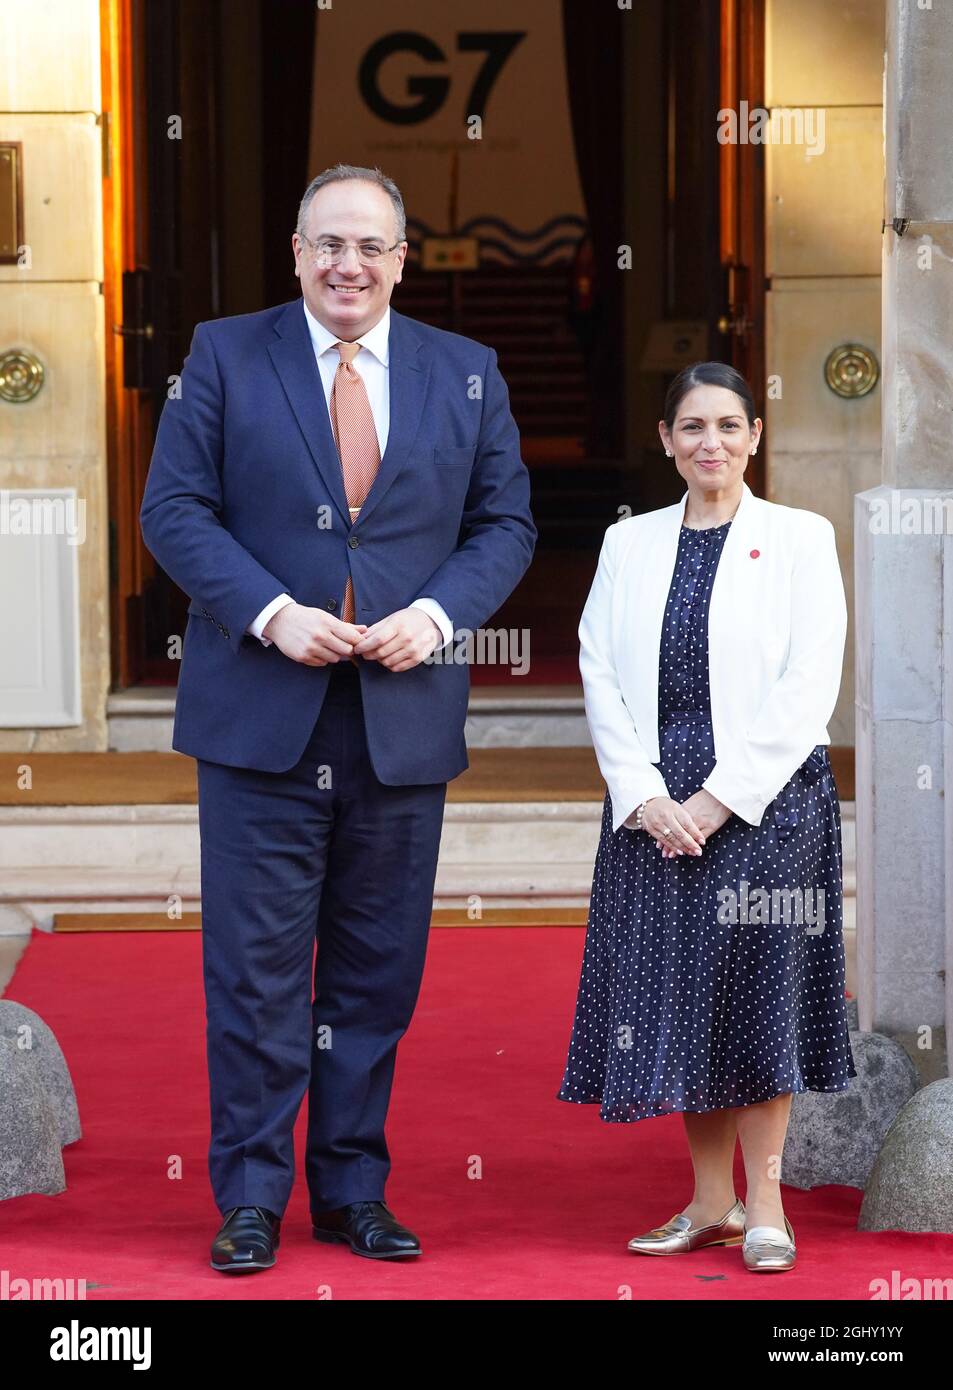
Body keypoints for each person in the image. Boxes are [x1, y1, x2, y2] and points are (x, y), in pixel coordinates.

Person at [139, 164, 536, 1271]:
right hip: (261, 717)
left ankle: (352, 1188)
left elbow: (504, 523)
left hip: (399, 719)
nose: (347, 265)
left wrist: (435, 614)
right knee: (257, 972)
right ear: (298, 254)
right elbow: (171, 508)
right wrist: (268, 613)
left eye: (369, 246)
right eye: (326, 244)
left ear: (403, 258)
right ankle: (252, 1197)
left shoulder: (468, 371)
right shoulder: (225, 353)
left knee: (374, 971)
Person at [557, 361, 855, 1273]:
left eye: (729, 426)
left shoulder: (801, 537)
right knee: (684, 1002)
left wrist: (716, 800)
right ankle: (708, 1201)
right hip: (654, 809)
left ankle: (765, 1204)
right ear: (665, 440)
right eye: (691, 428)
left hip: (765, 805)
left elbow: (811, 681)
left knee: (757, 1002)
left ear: (754, 438)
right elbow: (596, 666)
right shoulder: (628, 544)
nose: (710, 443)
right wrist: (642, 794)